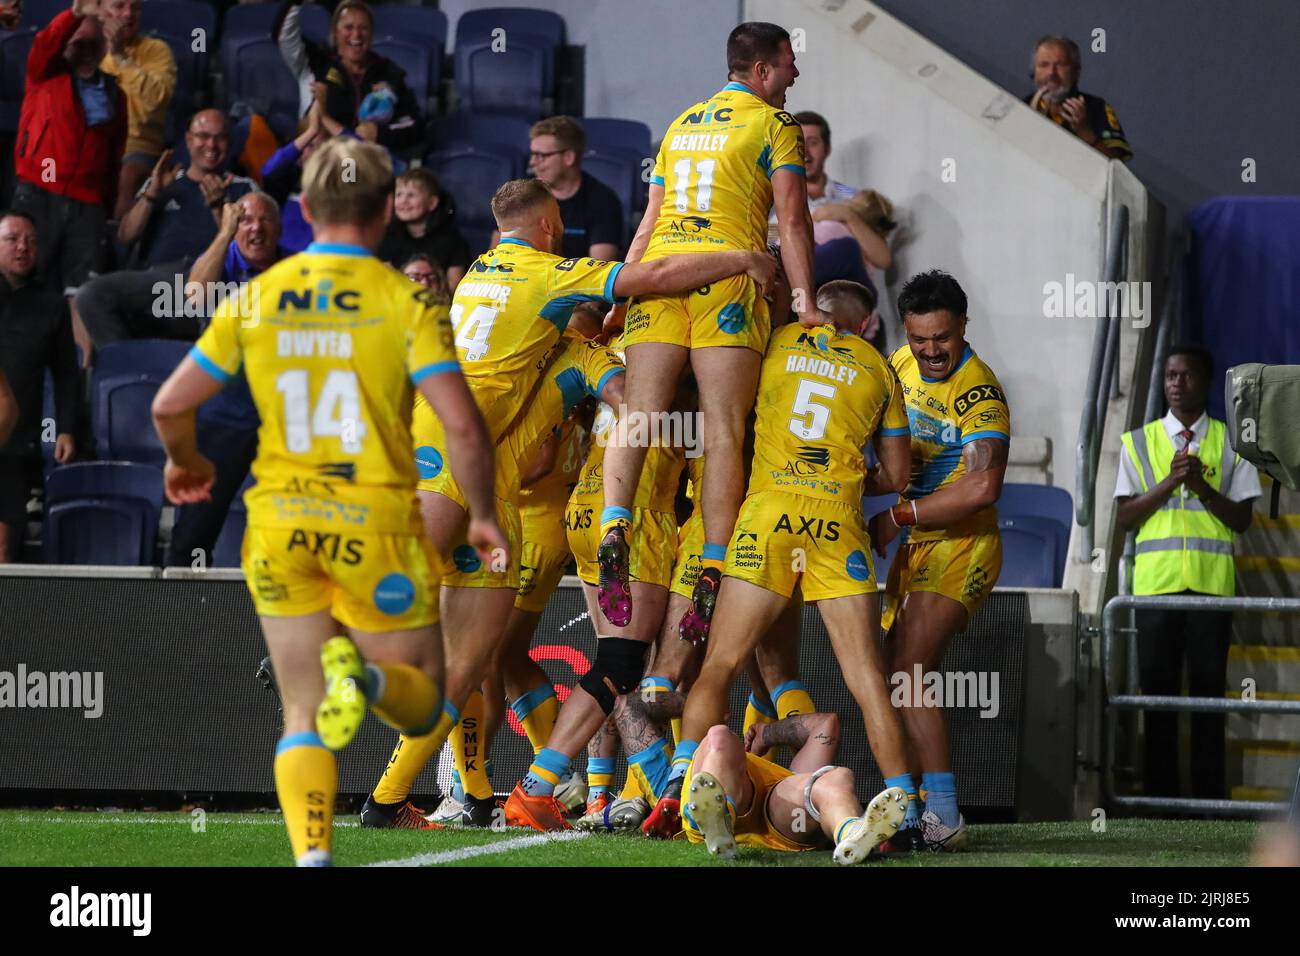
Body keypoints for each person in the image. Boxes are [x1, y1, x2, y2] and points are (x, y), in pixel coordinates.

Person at [361, 177, 777, 831]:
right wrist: (733, 285)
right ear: (548, 229)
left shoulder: (479, 275)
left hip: (499, 495)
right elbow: (636, 375)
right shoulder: (564, 311)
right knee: (618, 664)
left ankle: (400, 799)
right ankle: (620, 782)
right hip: (537, 492)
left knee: (481, 662)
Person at [150, 136, 504, 866]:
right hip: (375, 525)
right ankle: (366, 677)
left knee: (301, 713)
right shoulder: (410, 302)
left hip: (281, 524)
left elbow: (168, 405)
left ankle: (312, 857)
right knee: (423, 699)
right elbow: (465, 427)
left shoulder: (260, 295)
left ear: (305, 211)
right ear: (384, 213)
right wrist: (482, 515)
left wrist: (186, 463)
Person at [597, 21, 828, 650]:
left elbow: (647, 223)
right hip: (727, 280)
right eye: (789, 62)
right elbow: (794, 222)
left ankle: (614, 524)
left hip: (660, 275)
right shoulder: (776, 125)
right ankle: (713, 564)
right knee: (723, 427)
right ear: (762, 70)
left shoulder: (680, 124)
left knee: (640, 416)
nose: (795, 73)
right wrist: (805, 303)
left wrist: (622, 296)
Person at [655, 280, 913, 836]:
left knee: (720, 665)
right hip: (836, 521)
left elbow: (727, 416)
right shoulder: (880, 368)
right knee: (869, 680)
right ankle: (910, 811)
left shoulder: (773, 342)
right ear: (864, 324)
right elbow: (897, 474)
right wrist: (846, 476)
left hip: (768, 513)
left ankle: (679, 784)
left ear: (815, 309)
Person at [873, 270, 1010, 852]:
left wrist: (899, 514)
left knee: (908, 671)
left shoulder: (978, 391)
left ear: (964, 327)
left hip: (962, 543)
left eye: (943, 338)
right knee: (894, 675)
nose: (931, 351)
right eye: (920, 338)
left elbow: (983, 487)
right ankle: (911, 809)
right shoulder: (897, 363)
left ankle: (945, 814)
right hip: (916, 543)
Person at [1115, 344, 1259, 800]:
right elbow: (1125, 517)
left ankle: (1209, 800)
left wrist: (1201, 486)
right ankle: (1161, 799)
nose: (1177, 383)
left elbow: (1242, 519)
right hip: (1155, 589)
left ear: (1206, 381)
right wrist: (1171, 482)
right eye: (1170, 375)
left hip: (1211, 589)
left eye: (1187, 375)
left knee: (1207, 696)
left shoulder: (1231, 443)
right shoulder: (1138, 442)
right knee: (1158, 696)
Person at [163, 193, 290, 568]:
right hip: (223, 417)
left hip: (282, 419)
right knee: (195, 529)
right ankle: (182, 596)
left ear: (279, 229)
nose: (256, 228)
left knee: (292, 523)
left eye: (265, 220)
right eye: (245, 220)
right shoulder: (221, 263)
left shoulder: (297, 270)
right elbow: (193, 298)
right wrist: (223, 234)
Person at [12, 0, 128, 362]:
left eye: (93, 43)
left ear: (104, 47)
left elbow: (115, 153)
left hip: (88, 204)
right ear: (65, 45)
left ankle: (79, 378)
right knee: (22, 282)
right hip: (39, 191)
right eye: (77, 42)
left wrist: (106, 204)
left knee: (83, 293)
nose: (84, 49)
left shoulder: (115, 94)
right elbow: (46, 42)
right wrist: (75, 13)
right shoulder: (44, 74)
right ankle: (14, 372)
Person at [683, 713, 907, 863]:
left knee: (835, 778)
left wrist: (766, 734)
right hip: (720, 804)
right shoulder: (719, 754)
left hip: (779, 819)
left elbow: (827, 724)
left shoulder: (786, 779)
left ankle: (852, 834)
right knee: (719, 735)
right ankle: (718, 819)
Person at [0, 210, 79, 563]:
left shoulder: (51, 305)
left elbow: (66, 374)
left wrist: (66, 429)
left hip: (16, 445)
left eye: (31, 241)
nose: (23, 247)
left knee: (4, 547)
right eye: (12, 239)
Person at [274, 0, 423, 156]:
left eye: (363, 28)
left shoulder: (389, 73)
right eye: (348, 27)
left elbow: (415, 126)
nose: (356, 35)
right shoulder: (316, 63)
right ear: (335, 32)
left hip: (367, 161)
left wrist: (380, 133)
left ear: (371, 33)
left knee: (352, 168)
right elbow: (284, 37)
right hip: (323, 158)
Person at [117, 109, 256, 268]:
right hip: (156, 277)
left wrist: (218, 208)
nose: (211, 145)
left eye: (220, 138)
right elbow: (125, 236)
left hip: (211, 278)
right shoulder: (162, 182)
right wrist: (151, 194)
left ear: (229, 142)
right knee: (101, 284)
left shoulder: (244, 188)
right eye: (203, 136)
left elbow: (248, 251)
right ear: (188, 140)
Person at [97, 0, 177, 219]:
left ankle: (118, 234)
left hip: (138, 146)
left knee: (128, 173)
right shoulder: (86, 48)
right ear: (100, 11)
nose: (128, 14)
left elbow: (154, 103)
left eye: (135, 7)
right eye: (119, 6)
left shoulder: (157, 50)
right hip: (91, 141)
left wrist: (120, 58)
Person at [509, 116, 625, 261]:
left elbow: (600, 268)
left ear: (569, 157)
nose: (532, 162)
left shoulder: (603, 201)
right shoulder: (522, 197)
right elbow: (500, 258)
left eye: (541, 155)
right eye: (532, 154)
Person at [1026, 35, 1131, 161]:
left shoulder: (1097, 107)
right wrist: (1029, 121)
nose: (1051, 73)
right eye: (1044, 65)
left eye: (1060, 65)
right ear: (1034, 73)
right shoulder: (1020, 106)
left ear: (1076, 72)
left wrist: (1085, 132)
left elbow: (1116, 166)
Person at [378, 167, 471, 288]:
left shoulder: (452, 241)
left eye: (411, 195)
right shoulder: (387, 238)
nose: (403, 201)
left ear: (432, 203)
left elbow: (454, 288)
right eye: (398, 194)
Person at [260, 102, 331, 254]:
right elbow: (267, 171)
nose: (316, 155)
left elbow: (351, 165)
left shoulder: (343, 189)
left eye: (324, 147)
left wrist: (340, 136)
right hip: (286, 265)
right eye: (310, 145)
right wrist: (312, 131)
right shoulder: (285, 186)